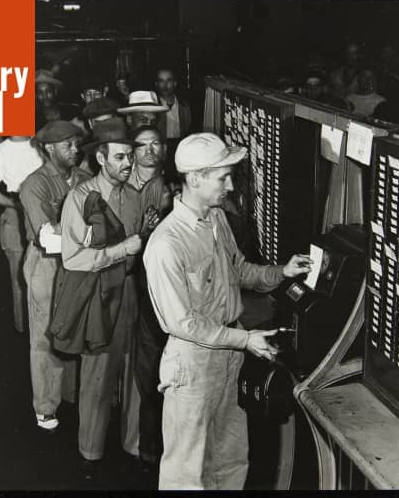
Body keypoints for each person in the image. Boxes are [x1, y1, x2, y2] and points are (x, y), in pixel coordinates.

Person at [143, 132, 312, 490]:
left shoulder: (216, 220)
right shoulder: (165, 245)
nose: (231, 185)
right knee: (186, 472)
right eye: (222, 177)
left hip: (229, 354)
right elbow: (182, 322)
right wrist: (245, 338)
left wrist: (282, 272)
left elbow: (239, 272)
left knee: (231, 458)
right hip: (193, 363)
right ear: (194, 179)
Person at [60, 117, 156, 478]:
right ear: (100, 158)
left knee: (135, 374)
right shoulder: (80, 199)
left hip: (132, 292)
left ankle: (132, 444)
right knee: (98, 375)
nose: (128, 163)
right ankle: (91, 451)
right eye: (119, 157)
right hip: (99, 295)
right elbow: (73, 259)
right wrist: (121, 250)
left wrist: (146, 235)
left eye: (129, 156)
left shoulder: (133, 196)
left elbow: (137, 247)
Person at [19, 121, 91, 431]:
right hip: (47, 264)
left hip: (78, 264)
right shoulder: (34, 184)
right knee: (45, 336)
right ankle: (45, 406)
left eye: (76, 144)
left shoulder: (85, 179)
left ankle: (69, 393)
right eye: (68, 145)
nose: (75, 150)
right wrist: (88, 234)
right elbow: (46, 236)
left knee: (74, 329)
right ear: (49, 148)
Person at [127, 127, 172, 472]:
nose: (149, 151)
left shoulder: (167, 186)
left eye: (155, 143)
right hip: (130, 280)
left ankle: (144, 448)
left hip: (151, 286)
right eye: (141, 145)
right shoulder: (125, 185)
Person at [0, 136, 44, 333]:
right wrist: (16, 204)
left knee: (43, 276)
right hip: (15, 214)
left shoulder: (40, 143)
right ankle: (23, 331)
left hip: (43, 213)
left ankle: (41, 332)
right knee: (19, 278)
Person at [155, 68, 193, 185]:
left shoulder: (184, 106)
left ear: (175, 83)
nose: (165, 85)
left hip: (179, 148)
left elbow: (188, 129)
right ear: (156, 84)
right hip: (160, 149)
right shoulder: (153, 107)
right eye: (161, 81)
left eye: (169, 80)